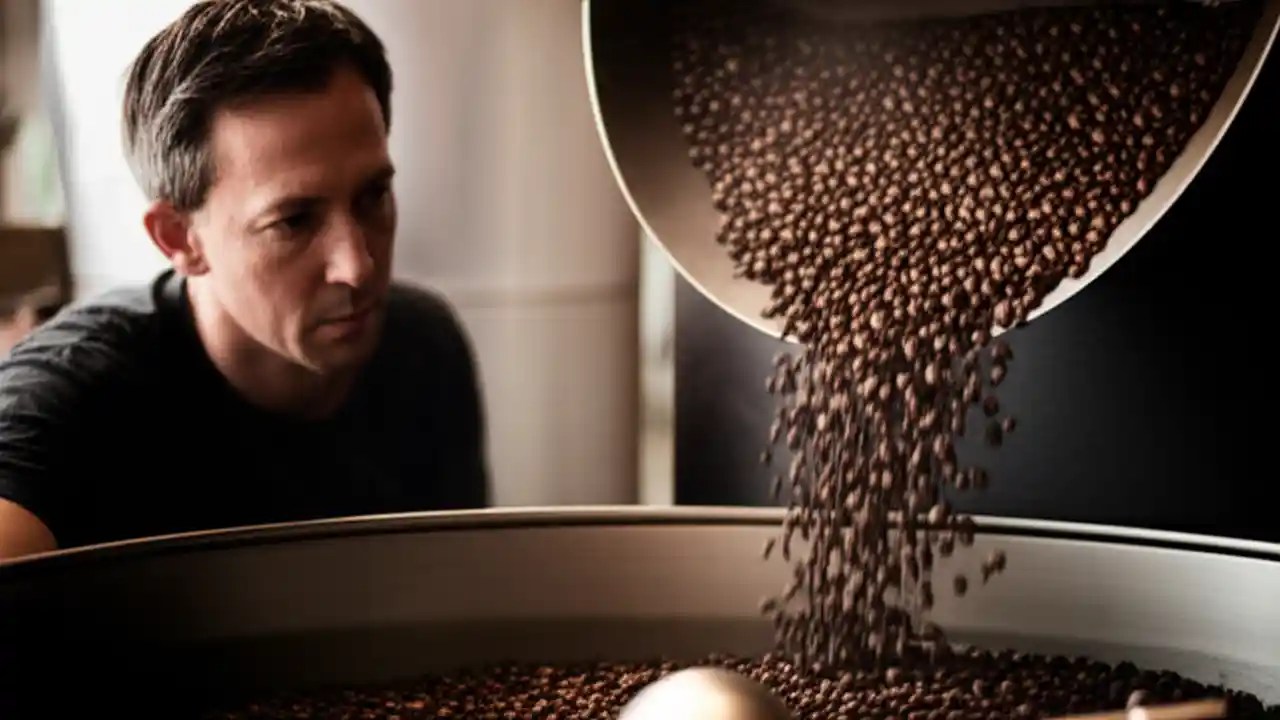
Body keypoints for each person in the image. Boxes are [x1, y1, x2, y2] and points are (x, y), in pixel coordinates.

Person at [0, 0, 490, 560]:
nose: (358, 267)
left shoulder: (423, 347)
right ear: (181, 239)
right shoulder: (71, 399)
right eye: (293, 221)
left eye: (373, 196)